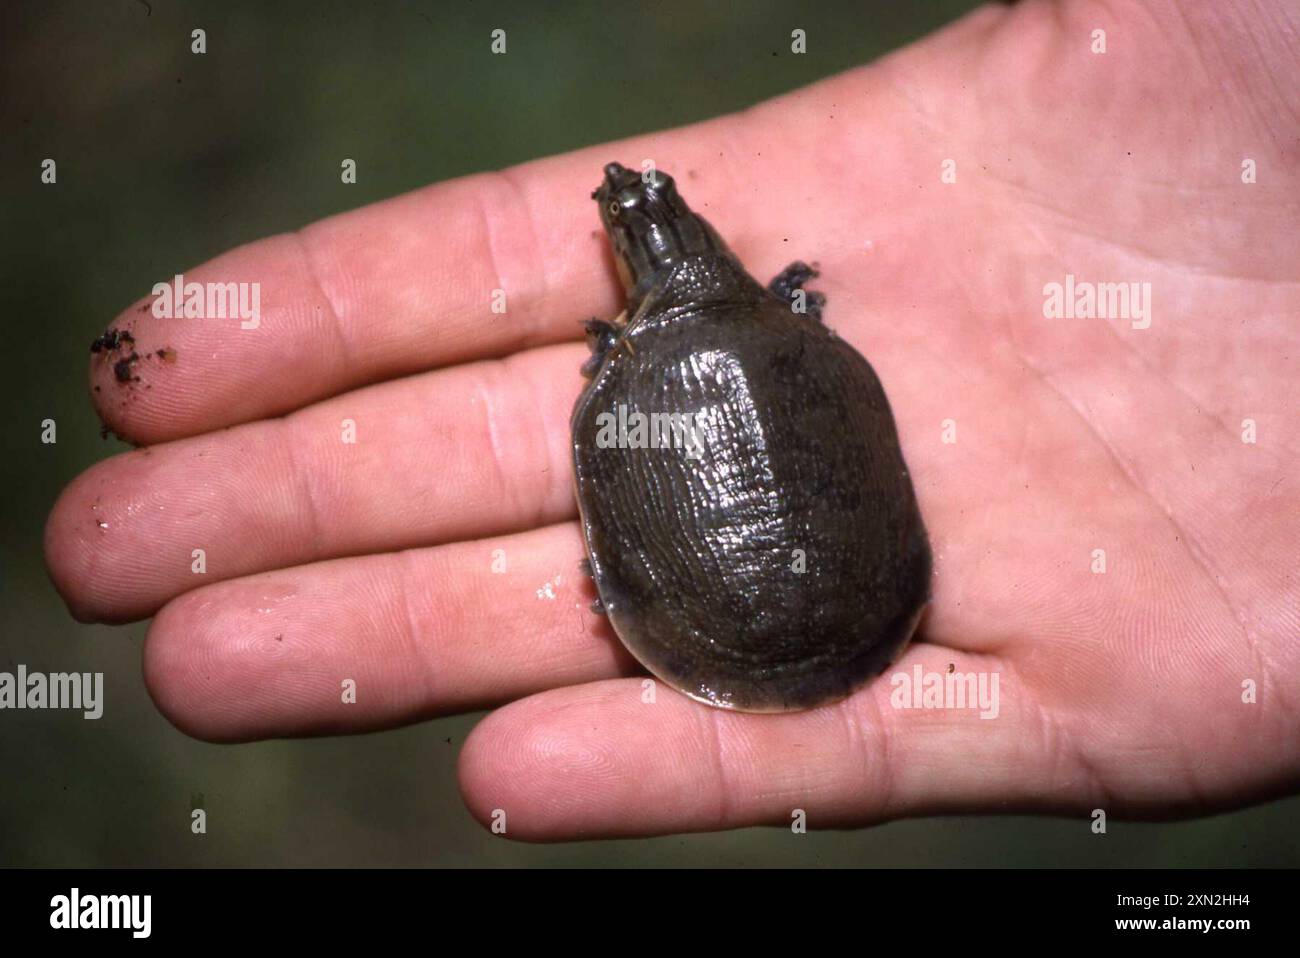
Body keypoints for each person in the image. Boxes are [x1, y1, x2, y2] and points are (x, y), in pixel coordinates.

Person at [45, 0, 1299, 840]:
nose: (633, 230)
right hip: (808, 553)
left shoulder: (654, 359)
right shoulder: (774, 329)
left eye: (639, 225)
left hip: (811, 560)